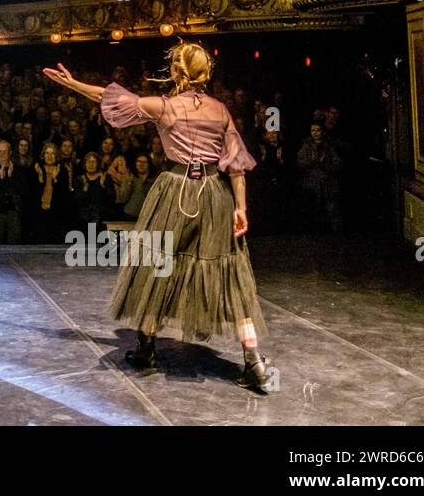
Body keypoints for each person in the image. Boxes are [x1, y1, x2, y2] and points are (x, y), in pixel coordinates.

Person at [43, 43, 275, 394]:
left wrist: (72, 83)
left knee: (156, 264)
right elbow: (237, 167)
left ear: (179, 72)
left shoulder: (164, 106)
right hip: (215, 192)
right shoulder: (220, 111)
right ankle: (254, 362)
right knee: (230, 272)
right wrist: (241, 209)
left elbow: (110, 98)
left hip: (174, 190)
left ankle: (147, 348)